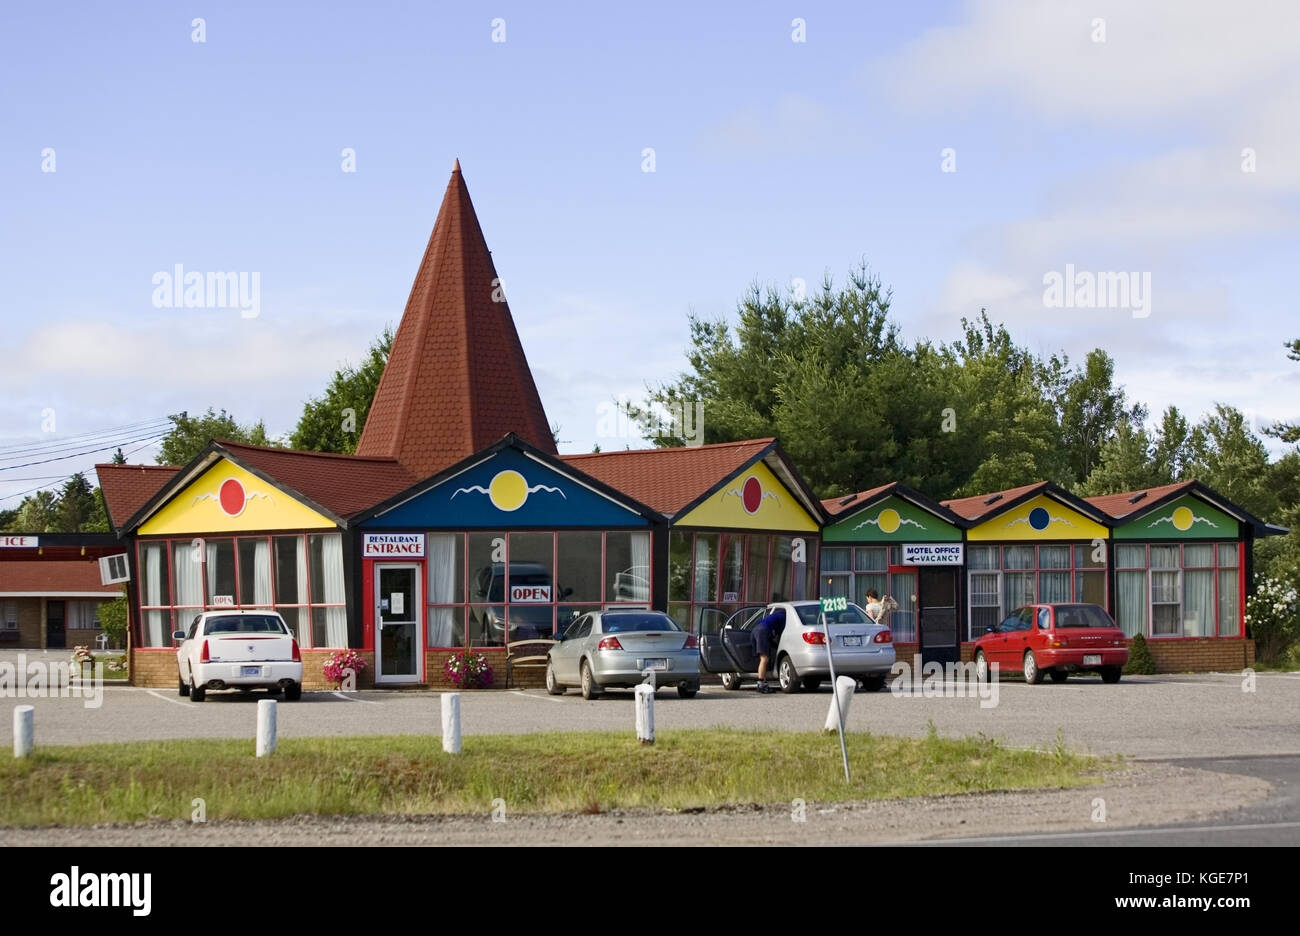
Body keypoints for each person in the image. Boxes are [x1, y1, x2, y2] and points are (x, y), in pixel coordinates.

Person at [753, 604, 786, 693]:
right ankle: (761, 685)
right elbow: (783, 633)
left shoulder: (774, 615)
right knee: (764, 658)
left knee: (762, 658)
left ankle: (762, 683)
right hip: (763, 631)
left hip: (756, 630)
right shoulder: (784, 617)